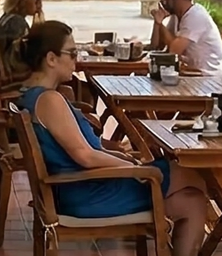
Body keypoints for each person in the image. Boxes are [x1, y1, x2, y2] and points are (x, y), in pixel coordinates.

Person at [17, 20, 207, 256]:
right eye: (72, 53)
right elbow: (85, 156)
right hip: (87, 193)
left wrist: (121, 158)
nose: (76, 59)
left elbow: (82, 150)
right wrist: (133, 167)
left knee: (193, 200)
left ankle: (165, 223)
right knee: (189, 174)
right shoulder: (49, 101)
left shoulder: (32, 95)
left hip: (80, 187)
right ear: (51, 59)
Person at [147, 0, 222, 75]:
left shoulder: (196, 16)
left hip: (213, 79)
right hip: (195, 76)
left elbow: (173, 52)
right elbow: (156, 46)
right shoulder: (177, 16)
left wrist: (160, 23)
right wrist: (157, 23)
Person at [0, 0, 44, 87]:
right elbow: (27, 57)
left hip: (14, 77)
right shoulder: (16, 23)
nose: (39, 3)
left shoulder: (7, 18)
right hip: (18, 81)